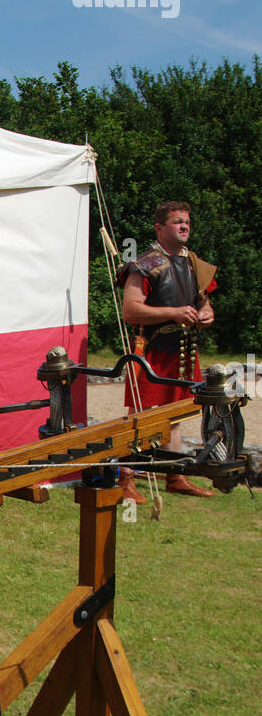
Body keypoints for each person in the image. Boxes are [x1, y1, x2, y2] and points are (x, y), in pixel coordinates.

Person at [120, 201, 217, 498]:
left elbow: (203, 301)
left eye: (187, 221)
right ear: (159, 228)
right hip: (152, 349)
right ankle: (126, 479)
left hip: (184, 349)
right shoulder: (145, 263)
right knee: (140, 413)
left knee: (175, 413)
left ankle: (174, 476)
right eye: (177, 222)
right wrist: (173, 313)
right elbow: (131, 310)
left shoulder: (194, 263)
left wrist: (207, 313)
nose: (184, 226)